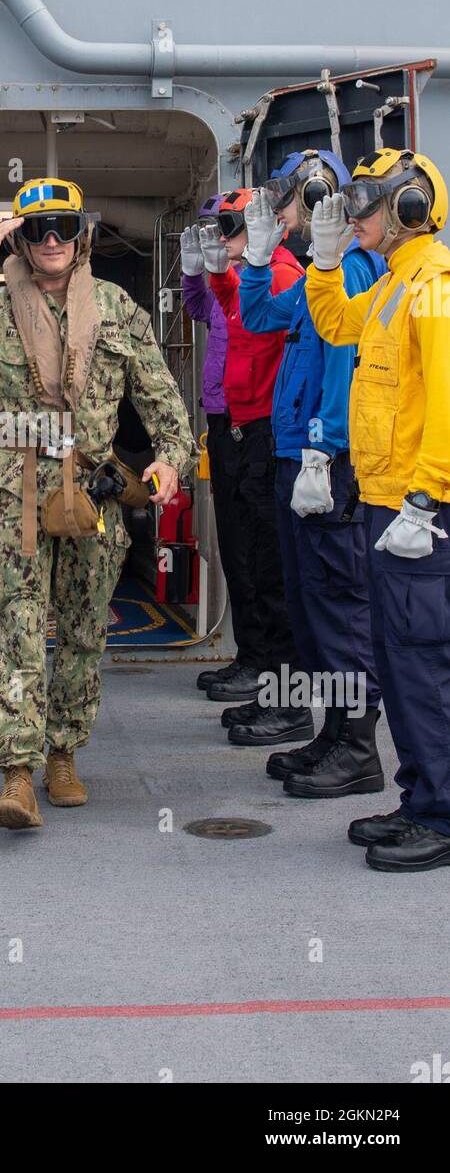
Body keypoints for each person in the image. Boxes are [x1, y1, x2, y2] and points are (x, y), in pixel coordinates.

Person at [0, 177, 195, 830]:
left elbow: (165, 408)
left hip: (94, 492)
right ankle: (17, 773)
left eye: (62, 228)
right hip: (20, 486)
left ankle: (64, 754)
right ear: (20, 235)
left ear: (81, 234)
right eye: (35, 229)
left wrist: (168, 461)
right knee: (19, 630)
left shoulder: (118, 308)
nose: (50, 241)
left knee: (84, 632)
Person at [306, 149, 450, 871]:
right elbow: (335, 324)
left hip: (422, 514)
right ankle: (421, 796)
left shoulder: (436, 288)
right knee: (400, 664)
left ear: (411, 209)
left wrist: (426, 499)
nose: (356, 216)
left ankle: (443, 816)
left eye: (367, 205)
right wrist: (325, 259)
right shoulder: (397, 285)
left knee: (424, 665)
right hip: (387, 506)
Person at [237, 152, 386, 795]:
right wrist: (256, 261)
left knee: (339, 606)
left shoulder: (351, 271)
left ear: (321, 197)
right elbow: (262, 318)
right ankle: (332, 733)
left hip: (324, 463)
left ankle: (358, 749)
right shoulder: (320, 275)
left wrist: (324, 449)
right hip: (295, 454)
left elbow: (342, 367)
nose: (284, 213)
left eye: (290, 200)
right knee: (309, 605)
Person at [201, 189, 304, 734]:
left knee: (272, 571)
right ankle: (264, 676)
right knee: (248, 559)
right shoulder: (258, 277)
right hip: (244, 429)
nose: (224, 236)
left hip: (266, 432)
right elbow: (235, 311)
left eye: (233, 226)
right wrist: (218, 274)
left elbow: (256, 320)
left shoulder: (284, 277)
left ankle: (285, 699)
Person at [182, 194, 264, 699]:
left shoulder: (267, 277)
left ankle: (264, 664)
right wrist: (198, 271)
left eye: (226, 228)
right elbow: (198, 309)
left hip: (250, 422)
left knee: (257, 550)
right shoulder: (223, 279)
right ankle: (250, 655)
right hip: (222, 417)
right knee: (235, 546)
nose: (220, 238)